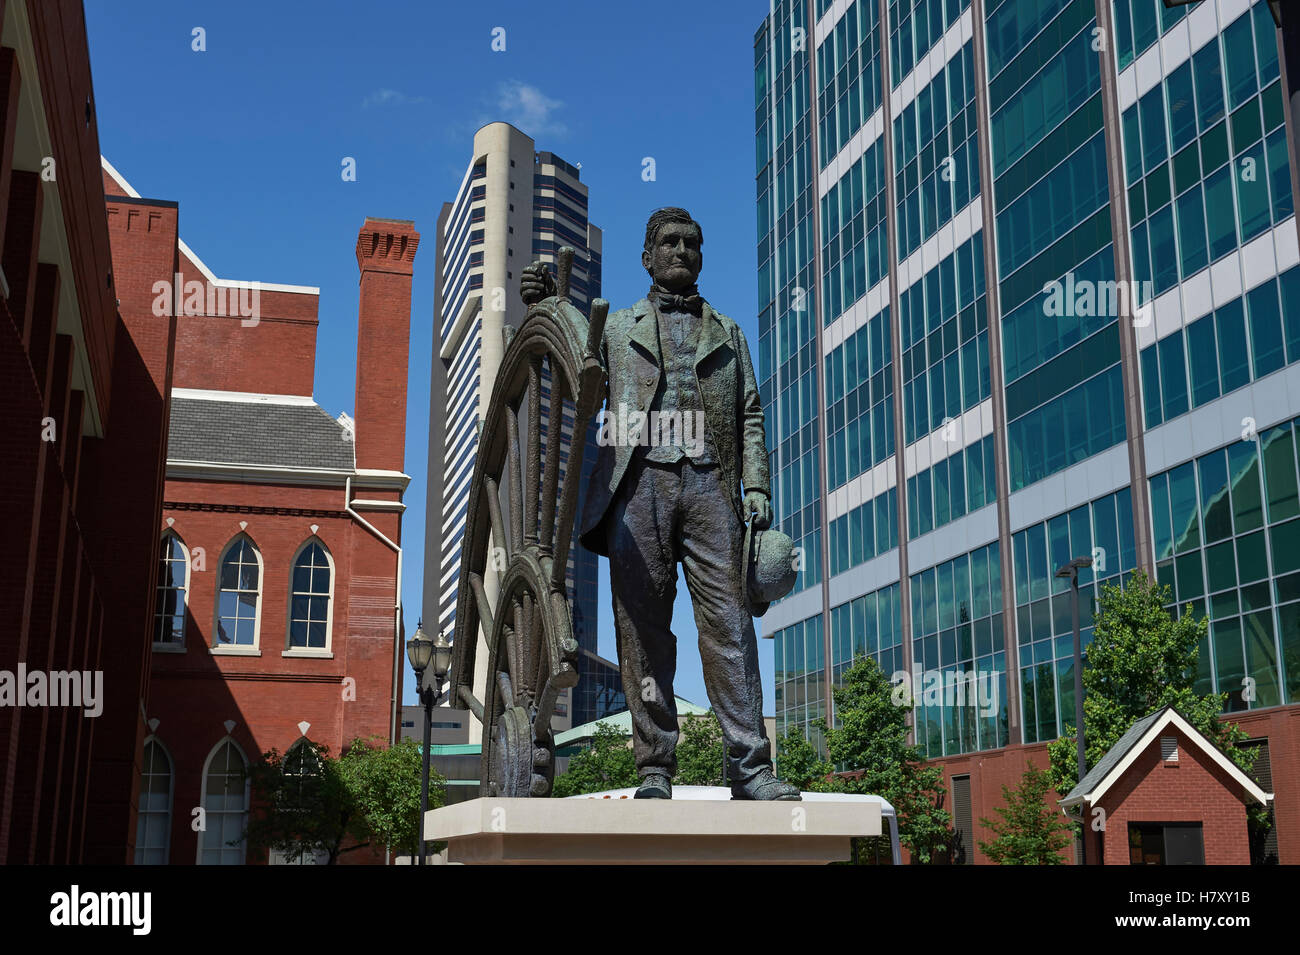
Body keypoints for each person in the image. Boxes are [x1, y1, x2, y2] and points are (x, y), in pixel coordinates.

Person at [520, 207, 799, 800]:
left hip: (709, 487)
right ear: (647, 257)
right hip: (638, 482)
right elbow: (574, 336)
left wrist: (757, 486)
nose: (681, 251)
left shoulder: (728, 332)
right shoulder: (620, 328)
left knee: (728, 626)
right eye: (669, 242)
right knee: (642, 630)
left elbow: (750, 412)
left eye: (691, 243)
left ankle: (749, 767)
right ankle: (654, 766)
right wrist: (547, 296)